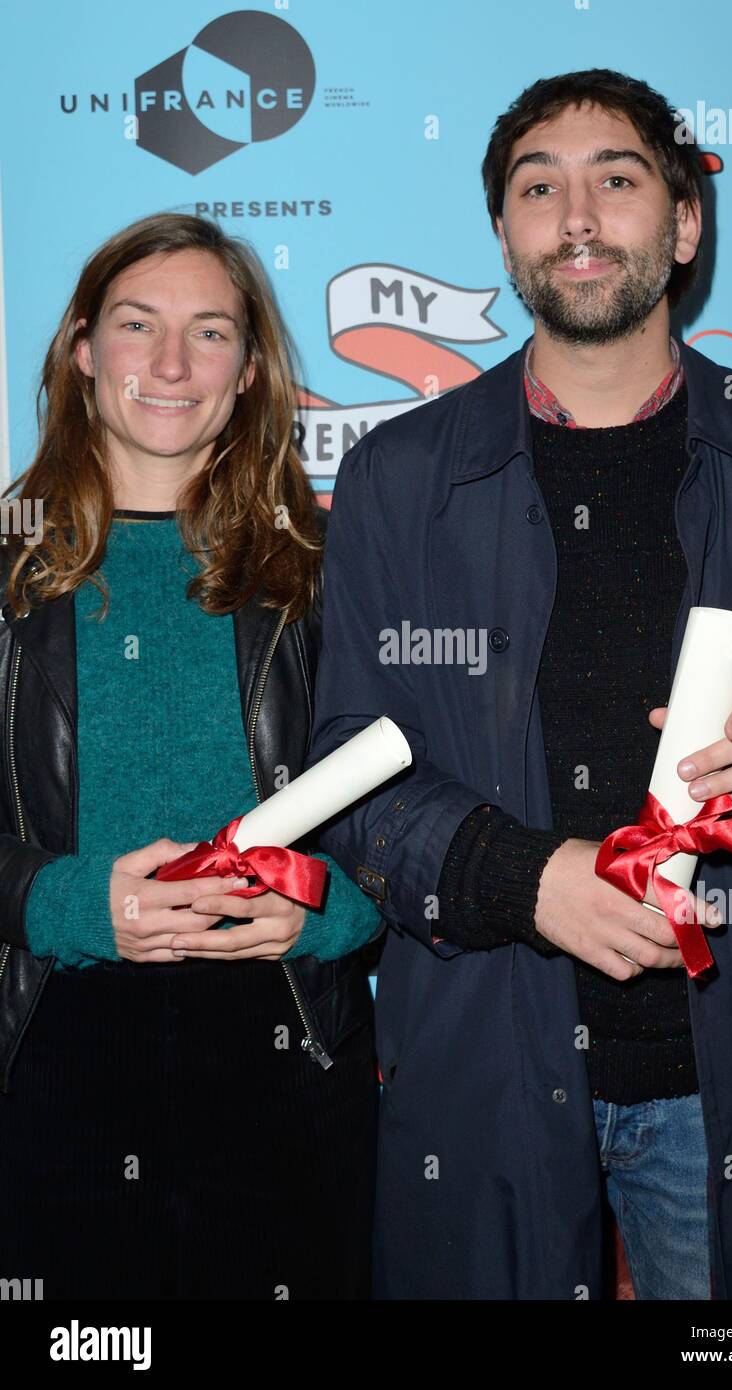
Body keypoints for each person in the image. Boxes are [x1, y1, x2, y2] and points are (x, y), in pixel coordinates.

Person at [306, 69, 732, 1300]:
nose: (574, 216)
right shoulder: (400, 478)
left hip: (723, 1079)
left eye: (615, 180)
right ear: (503, 232)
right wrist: (527, 877)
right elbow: (346, 759)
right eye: (535, 187)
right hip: (484, 1071)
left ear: (680, 223)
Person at [0, 212, 383, 1300]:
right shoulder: (4, 569)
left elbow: (410, 809)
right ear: (82, 349)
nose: (171, 364)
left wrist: (336, 912)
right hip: (49, 1044)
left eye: (209, 332)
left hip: (286, 1040)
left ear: (250, 369)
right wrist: (65, 902)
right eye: (136, 325)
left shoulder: (332, 569)